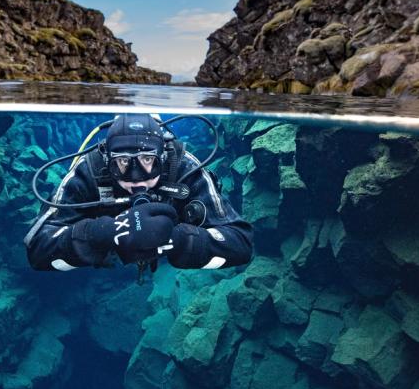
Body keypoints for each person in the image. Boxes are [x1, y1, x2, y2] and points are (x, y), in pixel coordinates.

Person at [24, 113, 253, 274]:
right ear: (106, 159)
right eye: (122, 162)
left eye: (147, 160)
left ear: (163, 157)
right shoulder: (89, 169)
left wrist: (178, 240)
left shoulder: (183, 166)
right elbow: (38, 248)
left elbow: (241, 243)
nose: (136, 177)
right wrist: (104, 233)